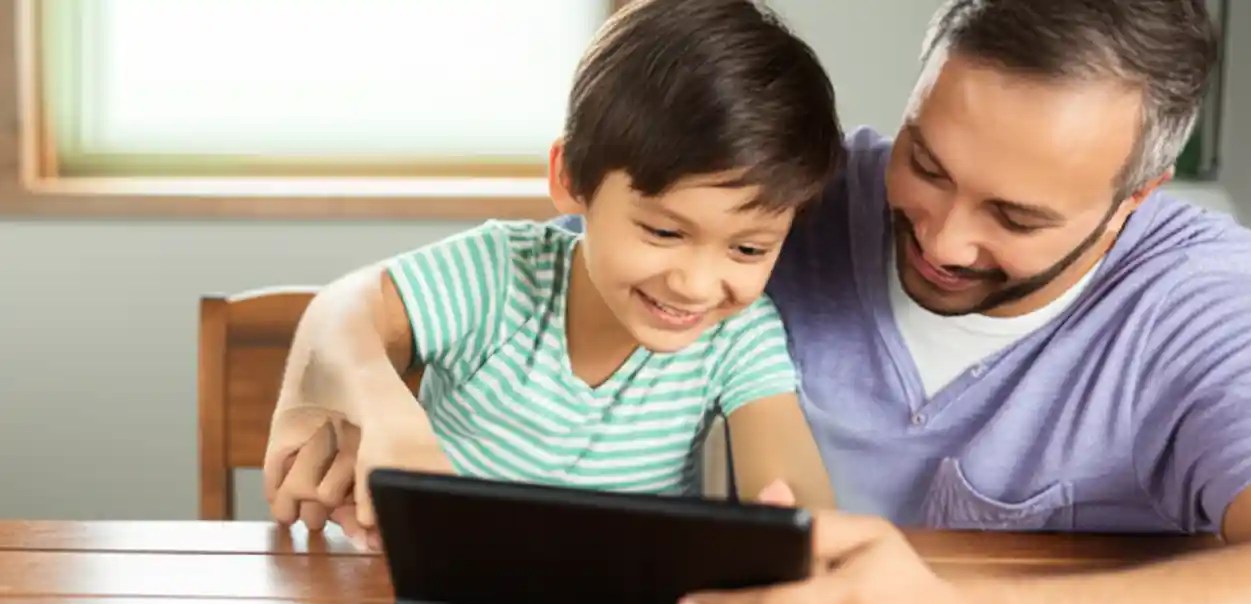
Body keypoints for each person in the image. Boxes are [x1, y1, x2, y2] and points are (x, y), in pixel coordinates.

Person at [645, 0, 1251, 604]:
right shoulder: (786, 200)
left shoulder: (1210, 304)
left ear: (1134, 200)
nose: (943, 243)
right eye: (926, 163)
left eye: (1015, 217)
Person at [260, 0, 843, 544]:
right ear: (571, 179)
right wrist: (388, 415)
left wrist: (796, 537)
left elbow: (796, 506)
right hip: (447, 583)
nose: (694, 283)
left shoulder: (739, 334)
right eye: (664, 233)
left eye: (747, 250)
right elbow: (340, 311)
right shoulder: (498, 274)